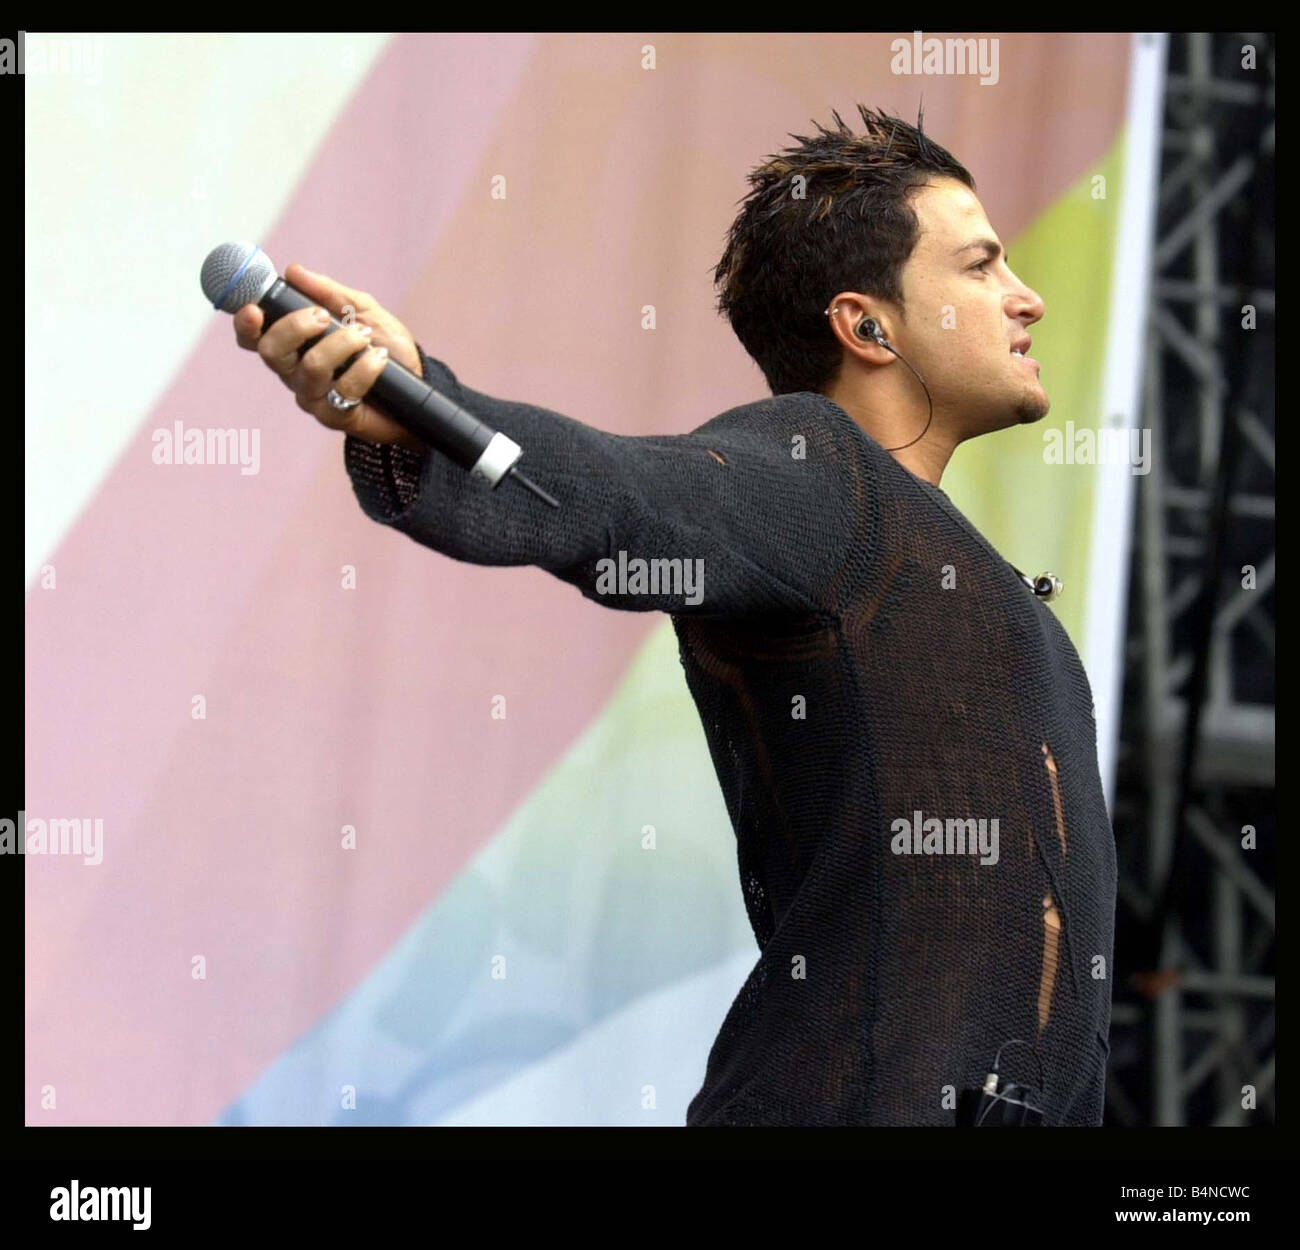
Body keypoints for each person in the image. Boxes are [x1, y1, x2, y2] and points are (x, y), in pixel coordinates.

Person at [230, 105, 1116, 1126]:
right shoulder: (819, 477)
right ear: (866, 324)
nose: (1027, 298)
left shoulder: (945, 558)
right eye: (979, 267)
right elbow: (622, 495)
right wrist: (428, 410)